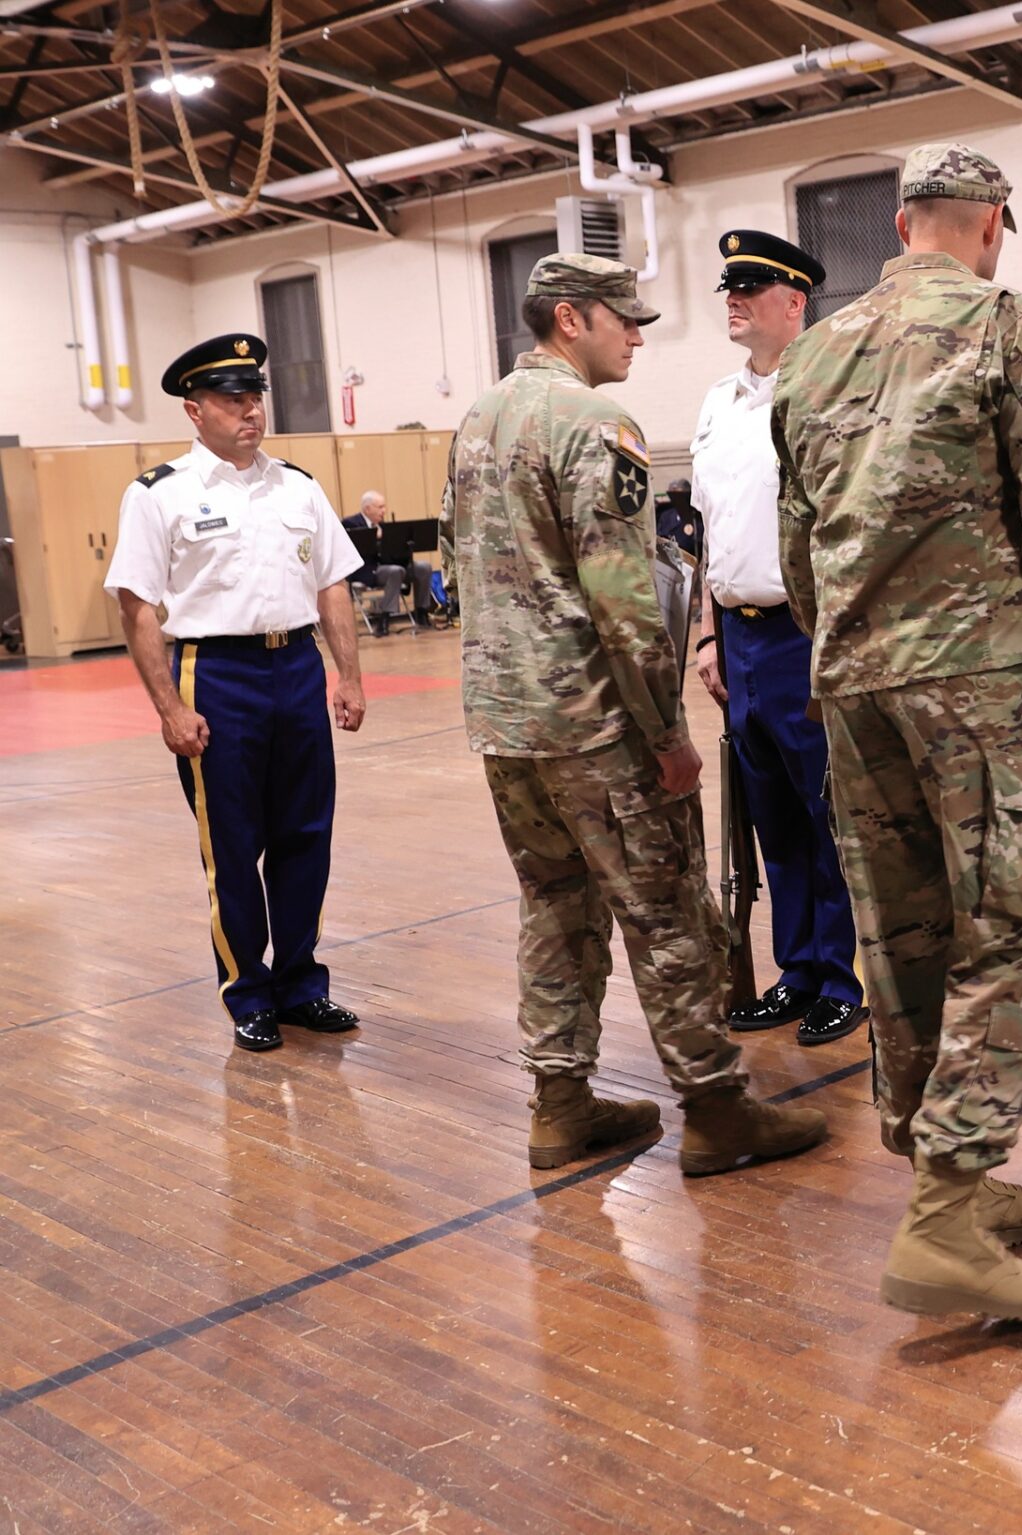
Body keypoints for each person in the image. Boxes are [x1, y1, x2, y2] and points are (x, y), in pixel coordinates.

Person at [772, 144, 1022, 1321]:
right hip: (982, 681)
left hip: (854, 682)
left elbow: (798, 546)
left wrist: (846, 653)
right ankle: (944, 1211)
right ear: (992, 227)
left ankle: (952, 1185)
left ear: (900, 219)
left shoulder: (814, 349)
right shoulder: (1004, 328)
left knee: (908, 931)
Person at [443, 252, 828, 1175]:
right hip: (595, 722)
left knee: (554, 906)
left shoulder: (479, 417)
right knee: (668, 915)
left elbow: (459, 568)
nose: (640, 336)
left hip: (507, 719)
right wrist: (666, 733)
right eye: (626, 319)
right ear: (570, 319)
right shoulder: (594, 421)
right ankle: (715, 1107)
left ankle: (559, 1102)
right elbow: (620, 597)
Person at [105, 333, 368, 1053]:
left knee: (305, 836)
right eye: (231, 398)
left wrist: (347, 672)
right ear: (195, 410)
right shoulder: (160, 493)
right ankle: (248, 991)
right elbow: (137, 607)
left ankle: (302, 985)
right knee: (233, 845)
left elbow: (333, 584)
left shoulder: (298, 485)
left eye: (254, 396)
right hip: (216, 674)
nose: (249, 410)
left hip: (296, 668)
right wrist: (170, 707)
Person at [690, 229, 867, 1046]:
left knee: (830, 814)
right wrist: (707, 635)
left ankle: (844, 975)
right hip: (741, 638)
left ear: (794, 301)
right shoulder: (717, 404)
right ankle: (796, 971)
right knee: (772, 822)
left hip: (810, 635)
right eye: (729, 284)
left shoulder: (831, 392)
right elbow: (709, 532)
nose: (733, 295)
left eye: (751, 285)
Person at [342, 489, 435, 635]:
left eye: (384, 507)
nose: (384, 511)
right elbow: (350, 550)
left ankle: (421, 612)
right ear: (367, 509)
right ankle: (384, 618)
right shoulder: (351, 523)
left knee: (424, 567)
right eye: (380, 507)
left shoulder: (384, 525)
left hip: (391, 564)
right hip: (367, 570)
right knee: (395, 572)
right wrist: (374, 538)